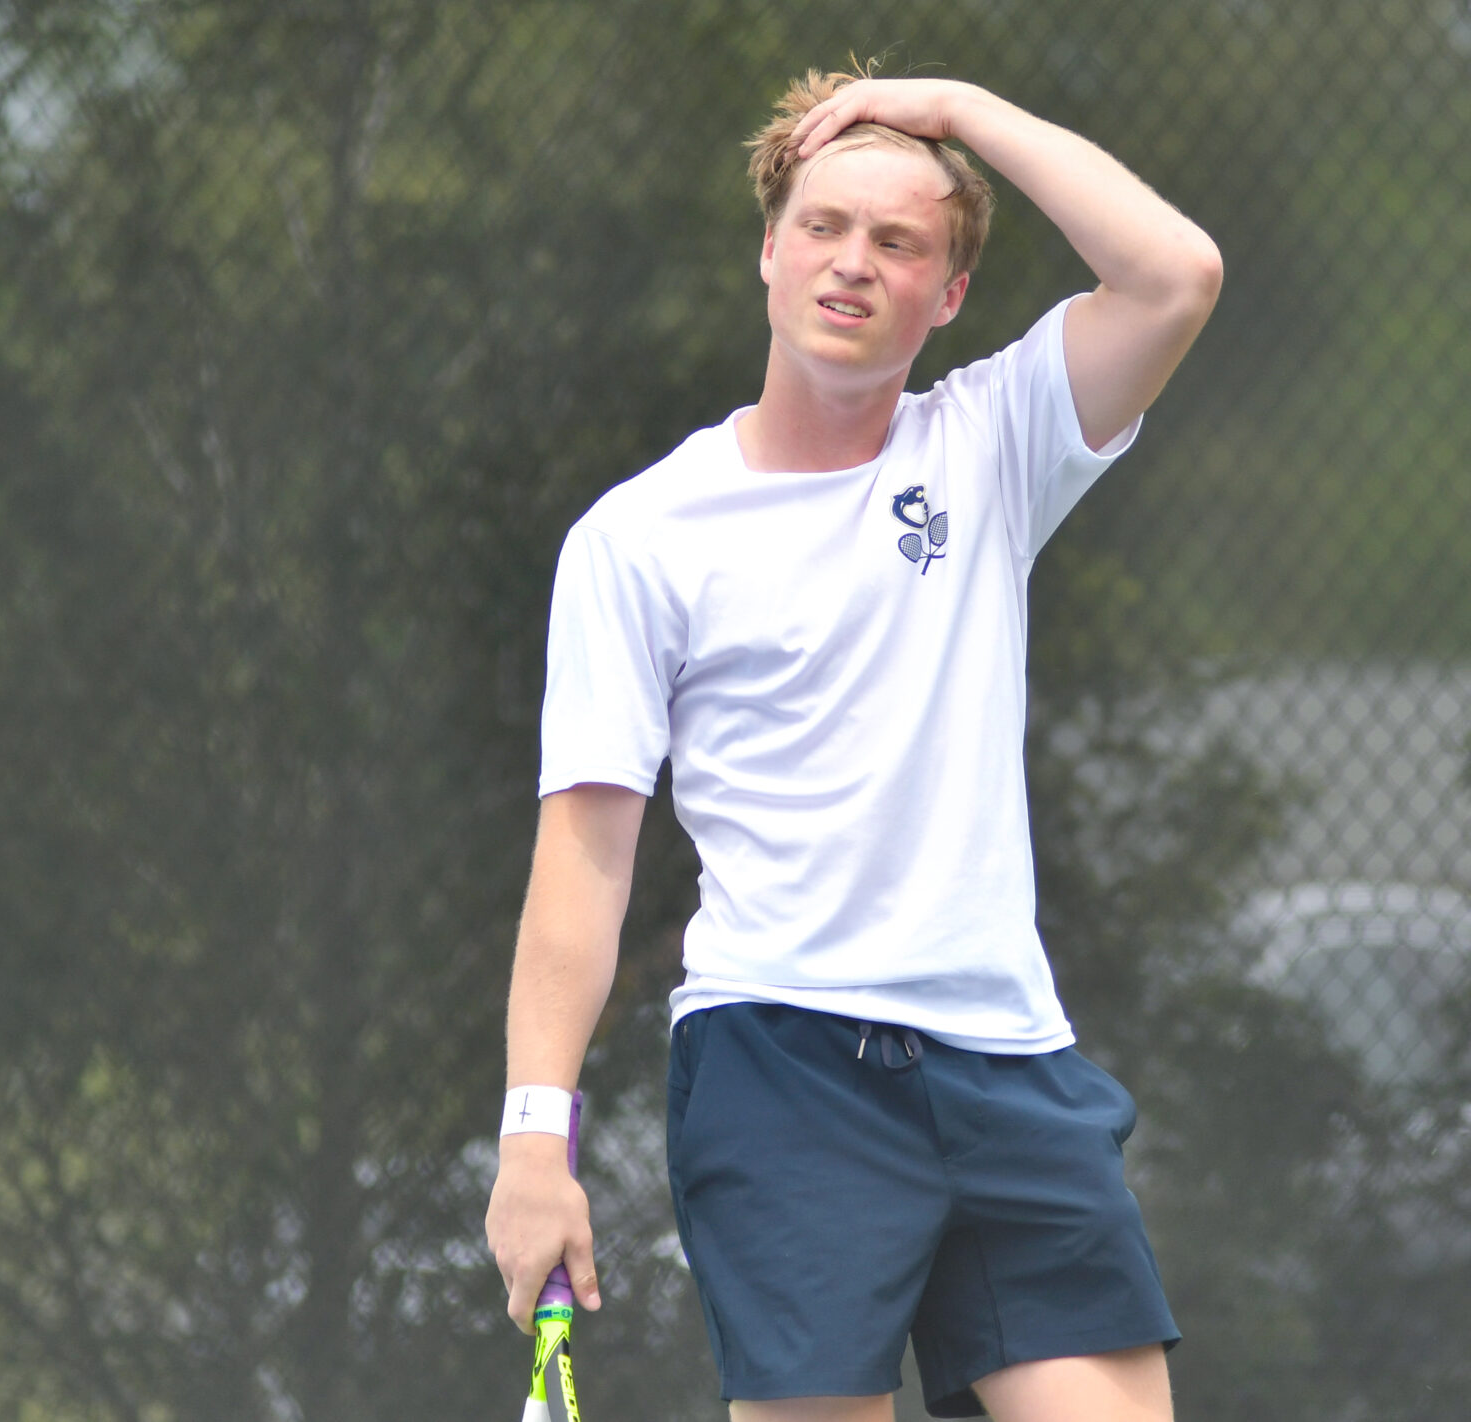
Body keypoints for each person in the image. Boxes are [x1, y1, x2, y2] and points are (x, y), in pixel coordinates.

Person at [486, 63, 1223, 1422]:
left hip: (1011, 1064)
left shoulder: (993, 441)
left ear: (948, 295)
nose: (853, 261)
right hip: (783, 1072)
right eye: (823, 225)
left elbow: (1175, 274)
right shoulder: (637, 540)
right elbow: (582, 863)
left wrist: (958, 110)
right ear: (769, 252)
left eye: (899, 240)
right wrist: (537, 1138)